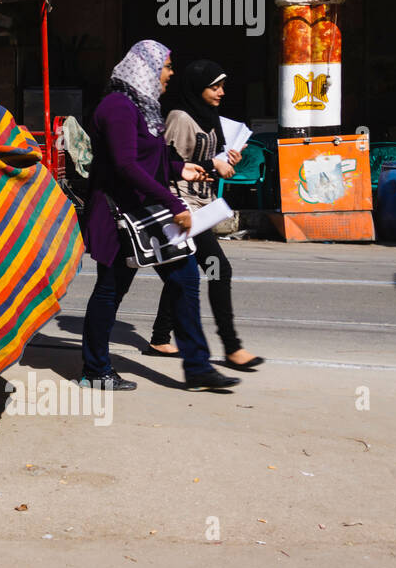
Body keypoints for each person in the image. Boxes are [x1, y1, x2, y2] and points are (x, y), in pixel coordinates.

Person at [79, 39, 240, 392]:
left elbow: (151, 157)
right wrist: (176, 205)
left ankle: (197, 368)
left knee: (185, 280)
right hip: (121, 217)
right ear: (147, 69)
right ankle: (95, 370)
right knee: (109, 291)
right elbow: (126, 165)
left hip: (148, 213)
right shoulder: (117, 107)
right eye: (166, 66)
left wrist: (181, 168)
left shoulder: (143, 107)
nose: (170, 74)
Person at [148, 60, 264, 370]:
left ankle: (160, 337)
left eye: (222, 86)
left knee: (181, 276)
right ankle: (231, 347)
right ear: (198, 88)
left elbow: (205, 156)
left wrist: (227, 158)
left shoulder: (209, 117)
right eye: (215, 86)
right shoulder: (179, 118)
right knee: (218, 270)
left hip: (204, 206)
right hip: (182, 207)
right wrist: (214, 165)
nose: (221, 92)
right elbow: (167, 164)